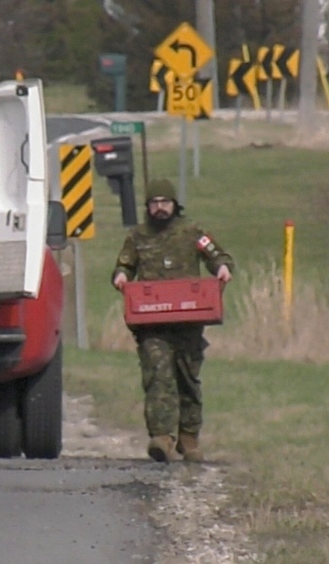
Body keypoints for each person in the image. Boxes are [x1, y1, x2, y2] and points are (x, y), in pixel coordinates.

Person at [111, 178, 234, 463]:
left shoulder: (192, 232)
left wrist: (222, 268)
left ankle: (188, 437)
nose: (160, 208)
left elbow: (217, 255)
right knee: (158, 375)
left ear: (174, 204)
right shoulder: (137, 237)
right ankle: (162, 436)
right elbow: (124, 264)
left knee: (187, 377)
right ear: (147, 206)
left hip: (188, 319)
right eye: (154, 203)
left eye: (165, 202)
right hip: (152, 323)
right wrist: (121, 276)